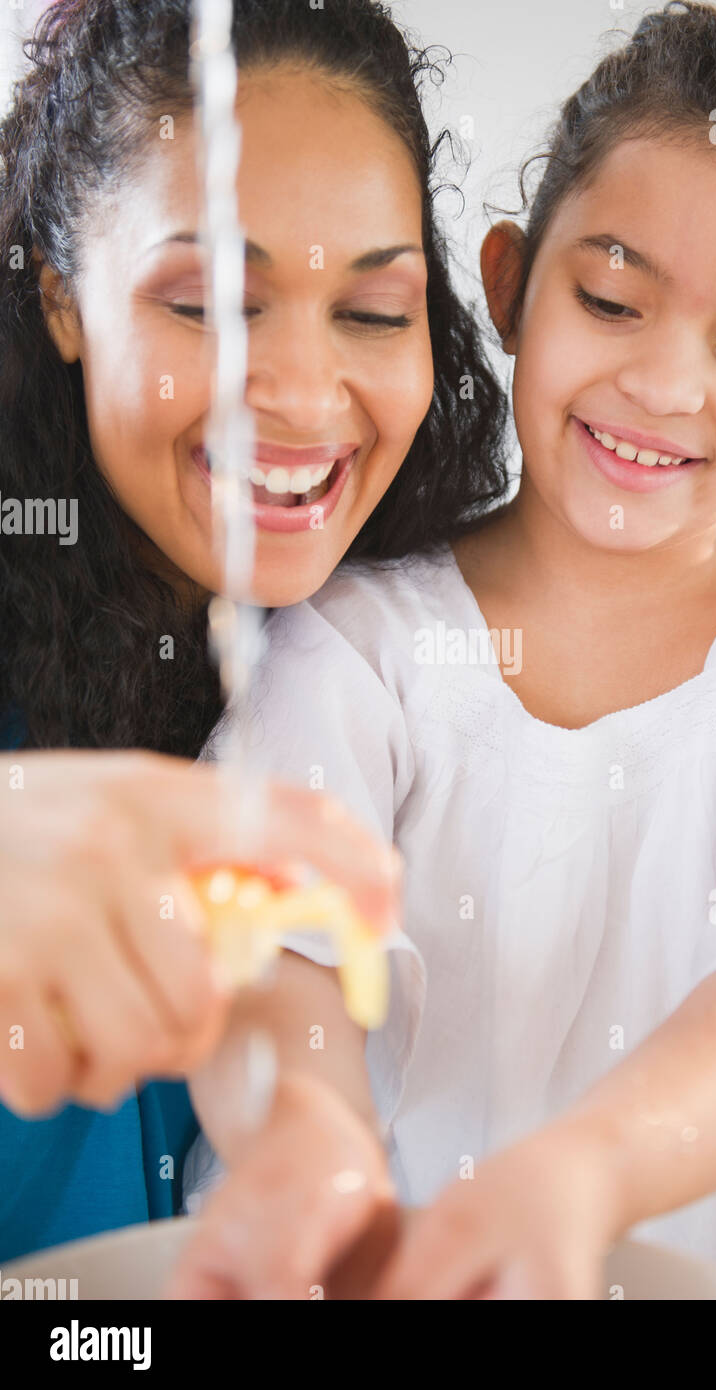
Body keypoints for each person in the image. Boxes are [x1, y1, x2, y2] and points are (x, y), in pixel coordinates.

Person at [213, 2, 716, 1298]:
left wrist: (585, 1172)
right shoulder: (361, 641)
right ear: (506, 282)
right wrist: (306, 1142)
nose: (665, 384)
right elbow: (278, 940)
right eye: (613, 299)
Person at [0, 0, 508, 1294]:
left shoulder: (404, 660)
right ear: (61, 296)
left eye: (374, 311)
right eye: (213, 299)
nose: (297, 389)